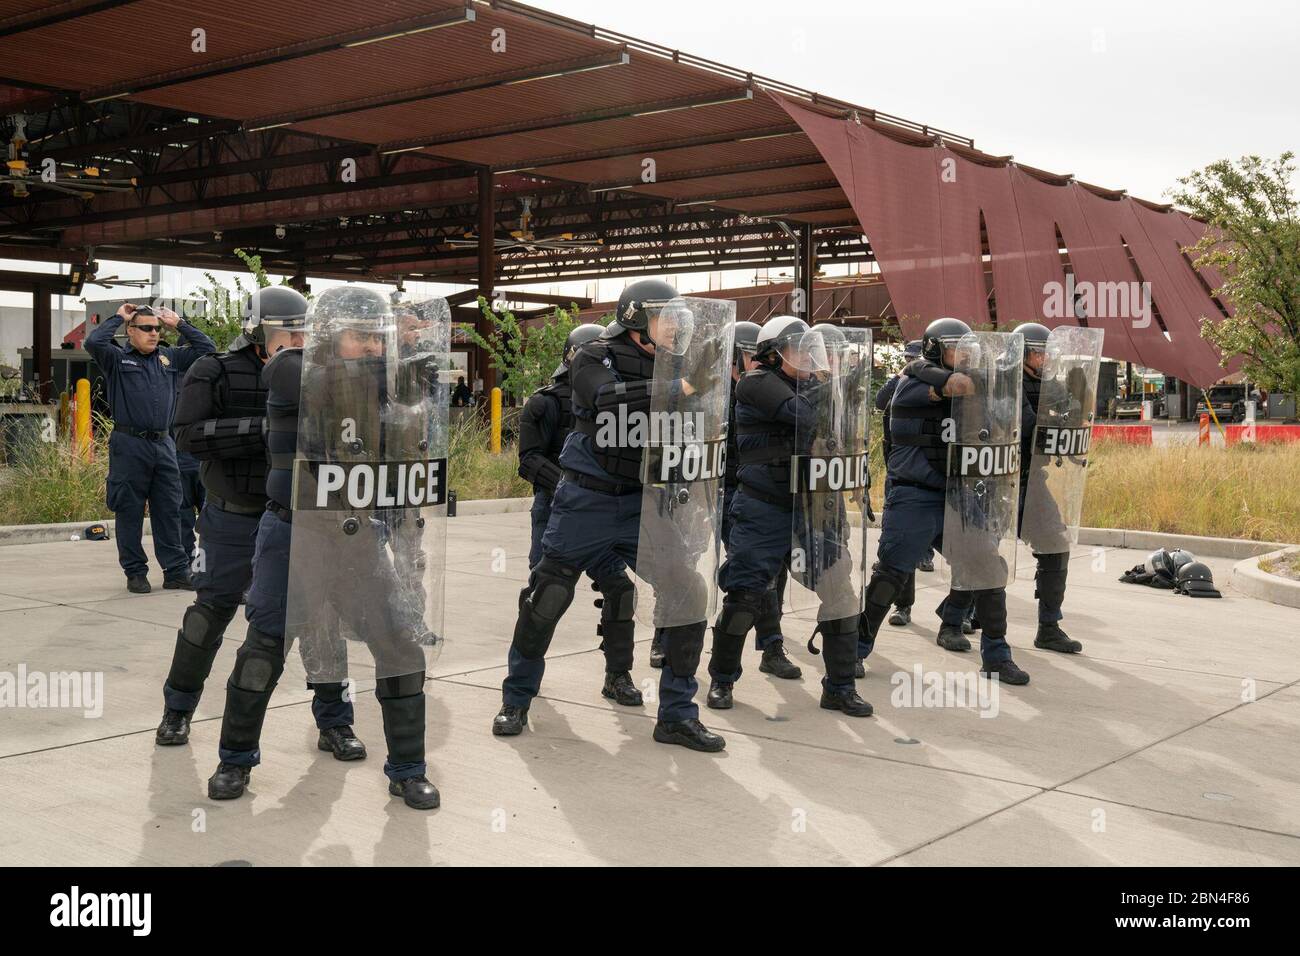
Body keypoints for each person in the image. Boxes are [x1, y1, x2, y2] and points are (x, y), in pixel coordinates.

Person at [207, 287, 445, 810]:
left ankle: (409, 770)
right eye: (363, 337)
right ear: (332, 333)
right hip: (294, 532)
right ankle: (234, 760)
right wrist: (396, 370)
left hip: (358, 531)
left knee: (400, 645)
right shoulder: (294, 366)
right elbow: (311, 379)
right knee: (264, 648)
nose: (375, 348)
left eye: (380, 339)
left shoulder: (382, 379)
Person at [492, 279, 730, 752]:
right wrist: (679, 385)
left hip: (645, 504)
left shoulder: (677, 366)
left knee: (688, 589)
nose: (677, 328)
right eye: (668, 318)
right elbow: (605, 397)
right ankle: (517, 697)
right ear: (637, 317)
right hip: (588, 501)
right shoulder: (594, 355)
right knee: (548, 593)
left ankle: (677, 714)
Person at [155, 287, 364, 760]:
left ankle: (335, 722)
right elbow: (186, 435)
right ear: (257, 329)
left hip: (303, 520)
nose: (297, 338)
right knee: (208, 615)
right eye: (286, 330)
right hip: (234, 516)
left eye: (303, 329)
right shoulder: (214, 369)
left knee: (323, 622)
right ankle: (178, 710)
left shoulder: (323, 374)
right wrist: (262, 429)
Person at [706, 317, 872, 716]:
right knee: (746, 595)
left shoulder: (813, 386)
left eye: (809, 347)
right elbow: (803, 415)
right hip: (764, 507)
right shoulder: (756, 382)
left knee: (840, 592)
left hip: (813, 509)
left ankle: (840, 686)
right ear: (773, 353)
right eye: (799, 348)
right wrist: (836, 384)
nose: (809, 355)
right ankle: (722, 679)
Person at [858, 318, 1030, 685]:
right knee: (891, 572)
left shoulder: (964, 385)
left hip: (960, 495)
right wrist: (917, 365)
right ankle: (855, 648)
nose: (964, 354)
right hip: (915, 494)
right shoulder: (910, 386)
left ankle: (997, 656)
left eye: (968, 347)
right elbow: (959, 385)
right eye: (955, 347)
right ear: (935, 349)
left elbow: (1011, 419)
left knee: (987, 568)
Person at [516, 323, 642, 706]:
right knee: (545, 595)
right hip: (559, 505)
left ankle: (617, 676)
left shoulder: (624, 396)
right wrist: (570, 485)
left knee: (620, 591)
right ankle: (520, 690)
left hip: (603, 507)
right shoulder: (545, 402)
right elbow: (529, 460)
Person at [84, 303, 215, 593]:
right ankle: (135, 571)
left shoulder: (169, 358)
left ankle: (175, 570)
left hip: (163, 444)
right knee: (129, 509)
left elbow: (208, 349)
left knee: (168, 509)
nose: (153, 333)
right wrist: (119, 316)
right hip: (129, 445)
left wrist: (178, 323)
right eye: (146, 328)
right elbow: (93, 341)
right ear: (130, 331)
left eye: (156, 328)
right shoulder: (117, 359)